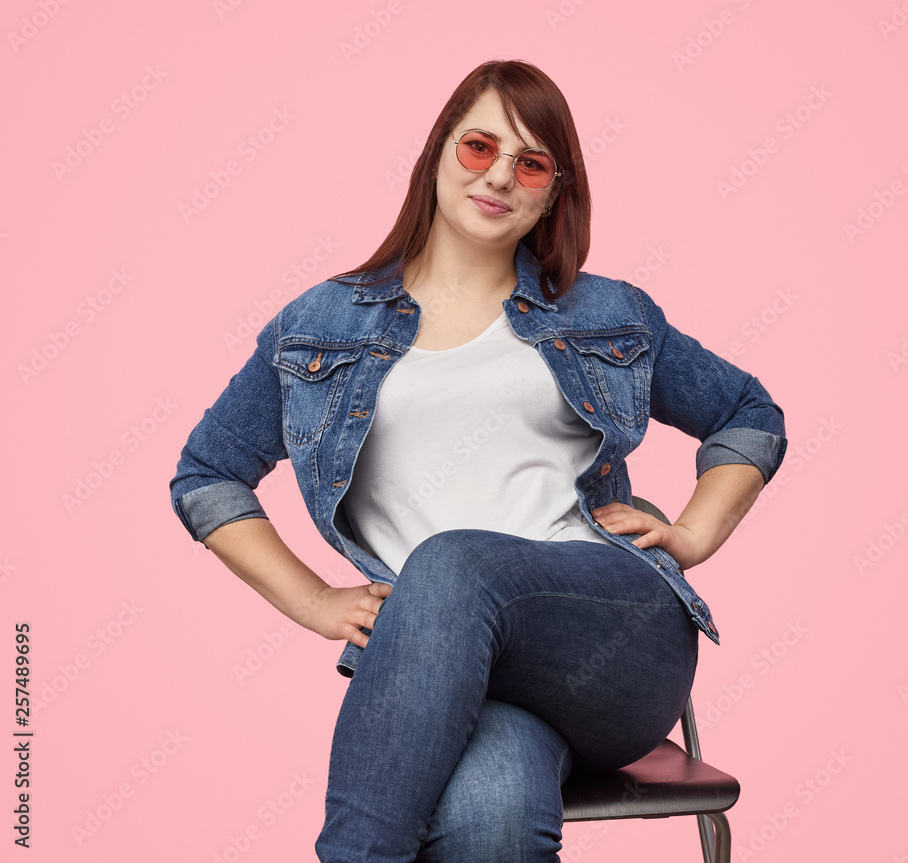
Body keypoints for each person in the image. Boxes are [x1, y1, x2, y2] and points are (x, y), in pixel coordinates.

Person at [170, 59, 786, 863]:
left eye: (530, 164)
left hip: (613, 640)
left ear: (552, 193)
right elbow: (207, 473)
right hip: (447, 673)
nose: (498, 176)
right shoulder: (318, 324)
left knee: (454, 562)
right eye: (479, 147)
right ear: (438, 151)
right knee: (492, 811)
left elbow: (749, 412)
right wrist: (315, 599)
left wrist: (696, 533)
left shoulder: (605, 311)